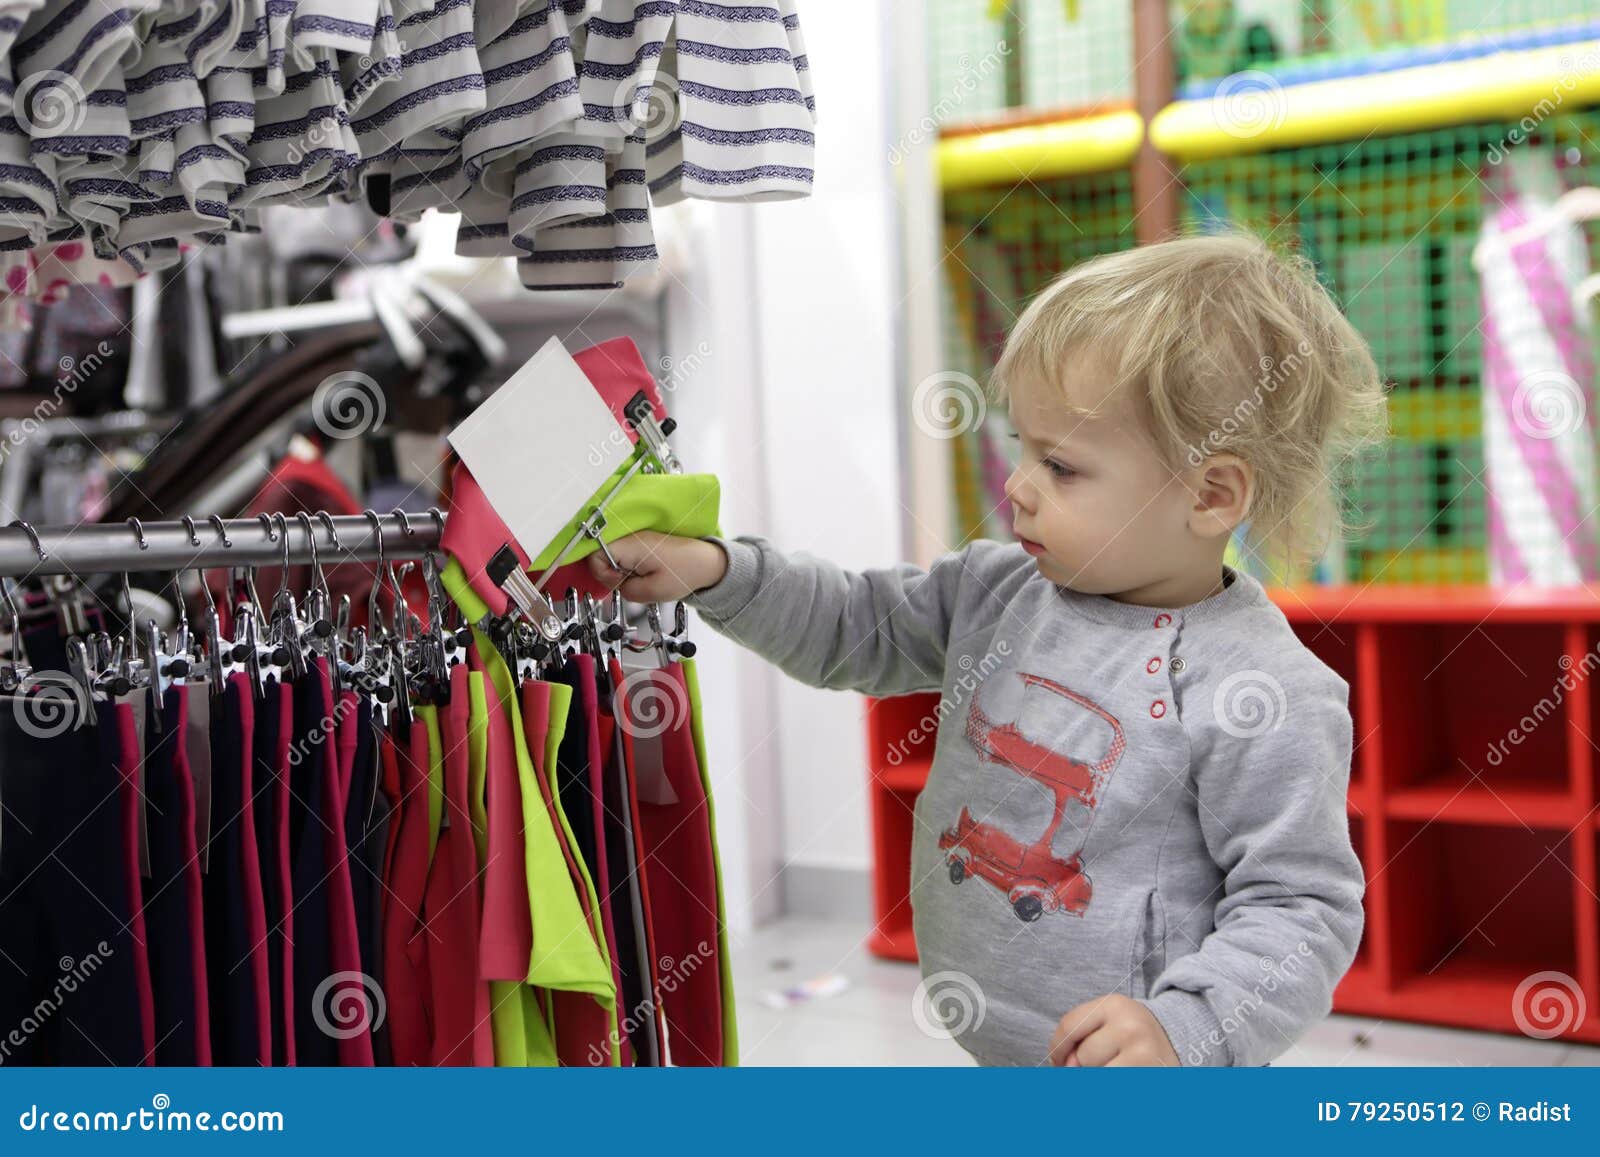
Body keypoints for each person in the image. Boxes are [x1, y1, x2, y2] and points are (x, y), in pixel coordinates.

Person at [588, 231, 1390, 1067]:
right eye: (1022, 447)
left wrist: (1187, 1029)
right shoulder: (997, 591)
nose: (1017, 484)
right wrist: (714, 570)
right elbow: (850, 625)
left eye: (1062, 466)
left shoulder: (1260, 686)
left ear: (1210, 494)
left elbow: (1302, 906)